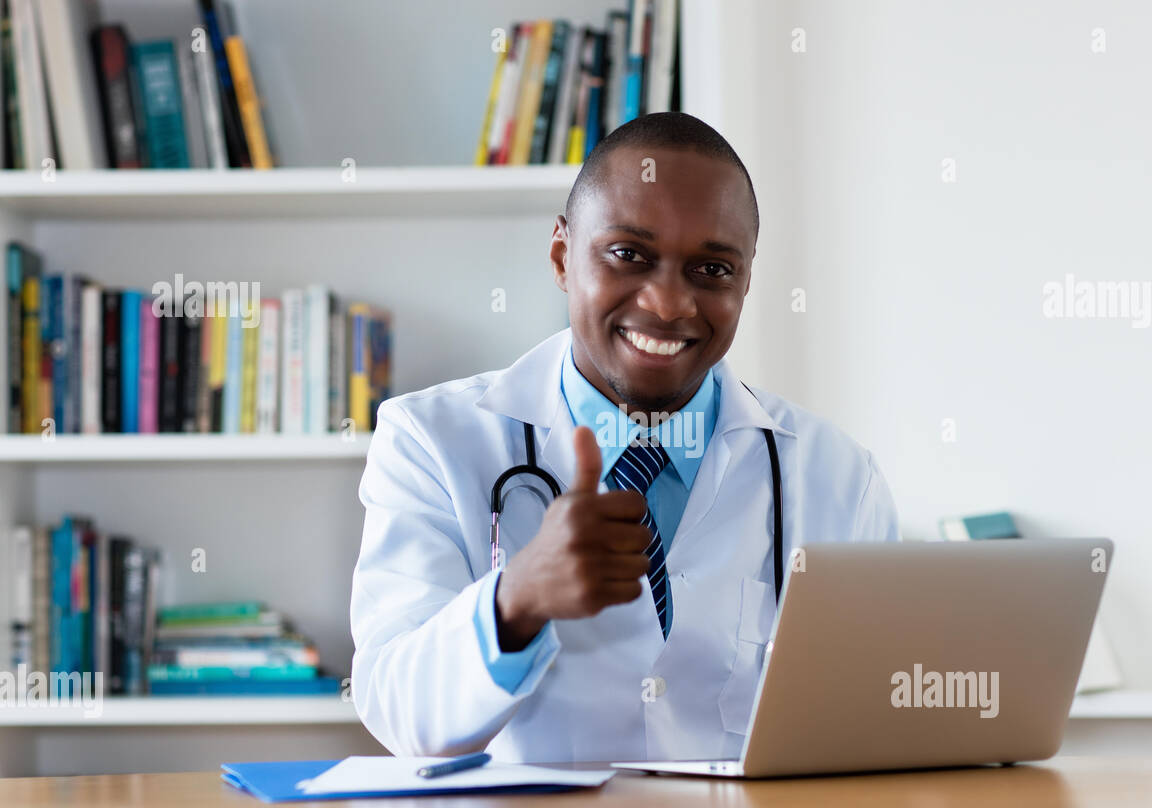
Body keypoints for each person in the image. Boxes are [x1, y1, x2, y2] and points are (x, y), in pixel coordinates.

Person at [350, 112, 898, 762]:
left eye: (712, 269)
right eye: (629, 255)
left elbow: (876, 724)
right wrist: (516, 597)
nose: (668, 304)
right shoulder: (432, 440)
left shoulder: (837, 477)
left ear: (746, 280)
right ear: (561, 256)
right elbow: (396, 708)